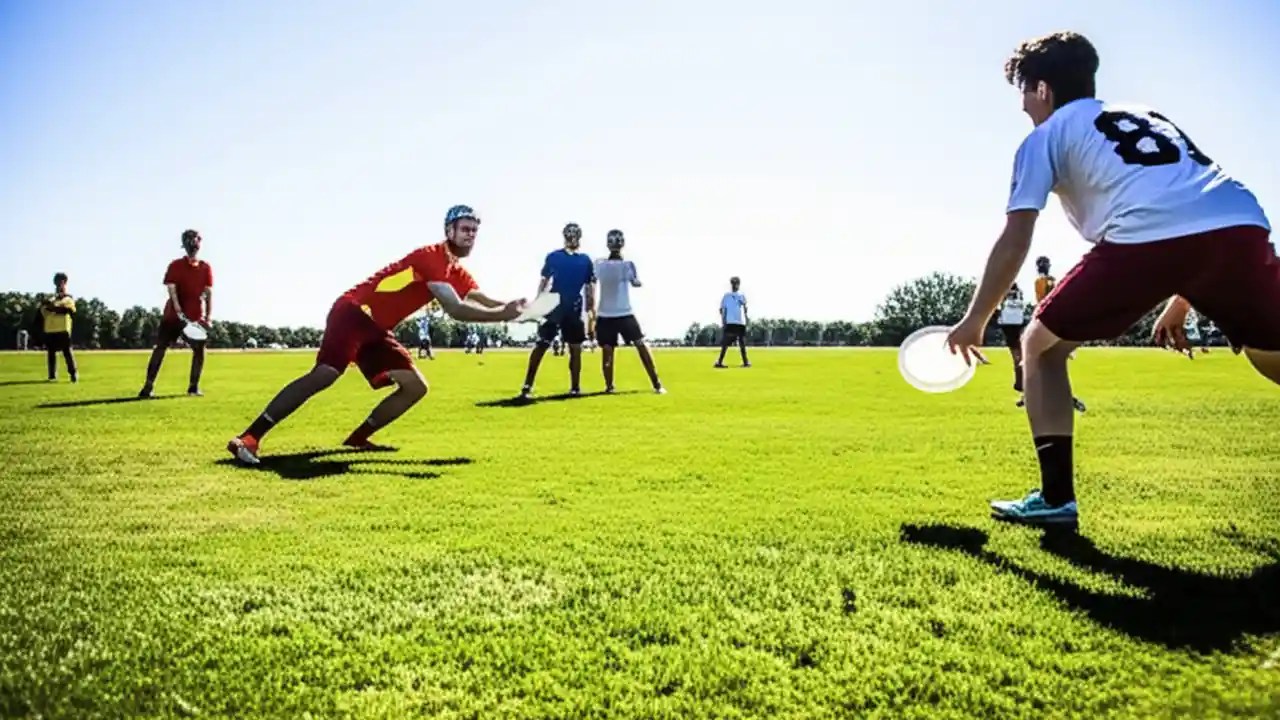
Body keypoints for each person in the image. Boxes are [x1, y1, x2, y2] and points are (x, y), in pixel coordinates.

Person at [945, 30, 1276, 527]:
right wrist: (1182, 300)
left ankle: (1056, 499)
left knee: (1040, 346)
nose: (1022, 107)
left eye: (1024, 92)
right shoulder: (1145, 114)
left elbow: (1017, 237)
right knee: (1271, 355)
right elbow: (1189, 204)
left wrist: (975, 319)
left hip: (1147, 235)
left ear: (1042, 90)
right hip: (1241, 222)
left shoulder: (1045, 136)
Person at [227, 205, 526, 465]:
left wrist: (515, 308)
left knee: (414, 387)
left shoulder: (455, 270)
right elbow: (456, 309)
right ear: (449, 230)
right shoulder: (431, 257)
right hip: (354, 312)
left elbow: (479, 297)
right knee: (325, 375)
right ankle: (249, 437)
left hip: (377, 328)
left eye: (474, 230)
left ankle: (358, 438)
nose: (470, 235)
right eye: (464, 229)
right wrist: (503, 315)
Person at [520, 223, 595, 398]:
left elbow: (589, 287)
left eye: (575, 235)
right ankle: (527, 385)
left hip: (574, 305)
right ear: (565, 237)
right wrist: (538, 303)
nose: (572, 238)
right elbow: (544, 280)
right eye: (569, 235)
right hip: (554, 303)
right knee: (542, 344)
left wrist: (591, 310)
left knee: (575, 348)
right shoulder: (554, 257)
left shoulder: (585, 260)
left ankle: (575, 387)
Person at [140, 230, 213, 398]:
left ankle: (193, 387)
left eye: (195, 239)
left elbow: (208, 293)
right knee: (160, 348)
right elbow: (172, 290)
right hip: (173, 317)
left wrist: (208, 318)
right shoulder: (175, 266)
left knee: (200, 350)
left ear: (199, 242)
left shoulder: (205, 268)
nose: (192, 243)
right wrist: (179, 310)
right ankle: (148, 387)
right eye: (188, 240)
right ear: (184, 244)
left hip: (194, 318)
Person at [593, 229, 665, 394]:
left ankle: (609, 386)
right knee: (639, 344)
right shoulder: (627, 265)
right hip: (623, 312)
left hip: (606, 313)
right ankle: (657, 384)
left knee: (608, 350)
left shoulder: (599, 264)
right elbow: (635, 282)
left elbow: (592, 281)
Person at [40, 272, 77, 382]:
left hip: (63, 329)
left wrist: (53, 308)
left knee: (67, 352)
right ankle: (52, 375)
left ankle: (73, 374)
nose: (59, 285)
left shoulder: (68, 299)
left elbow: (68, 310)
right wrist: (52, 307)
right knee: (51, 353)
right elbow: (44, 311)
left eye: (61, 282)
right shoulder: (52, 299)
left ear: (65, 283)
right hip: (50, 329)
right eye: (57, 282)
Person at [995, 283, 1028, 396]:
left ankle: (1021, 382)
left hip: (1010, 324)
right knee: (1020, 354)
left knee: (1017, 355)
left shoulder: (1005, 295)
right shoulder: (1017, 295)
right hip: (1015, 324)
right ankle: (1022, 381)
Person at [715, 276, 750, 368]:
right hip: (730, 321)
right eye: (733, 283)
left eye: (736, 283)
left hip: (740, 322)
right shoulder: (727, 296)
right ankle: (720, 361)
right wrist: (723, 320)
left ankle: (745, 362)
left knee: (742, 343)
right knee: (725, 343)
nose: (735, 285)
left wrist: (746, 319)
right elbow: (722, 309)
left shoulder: (741, 295)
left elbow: (745, 308)